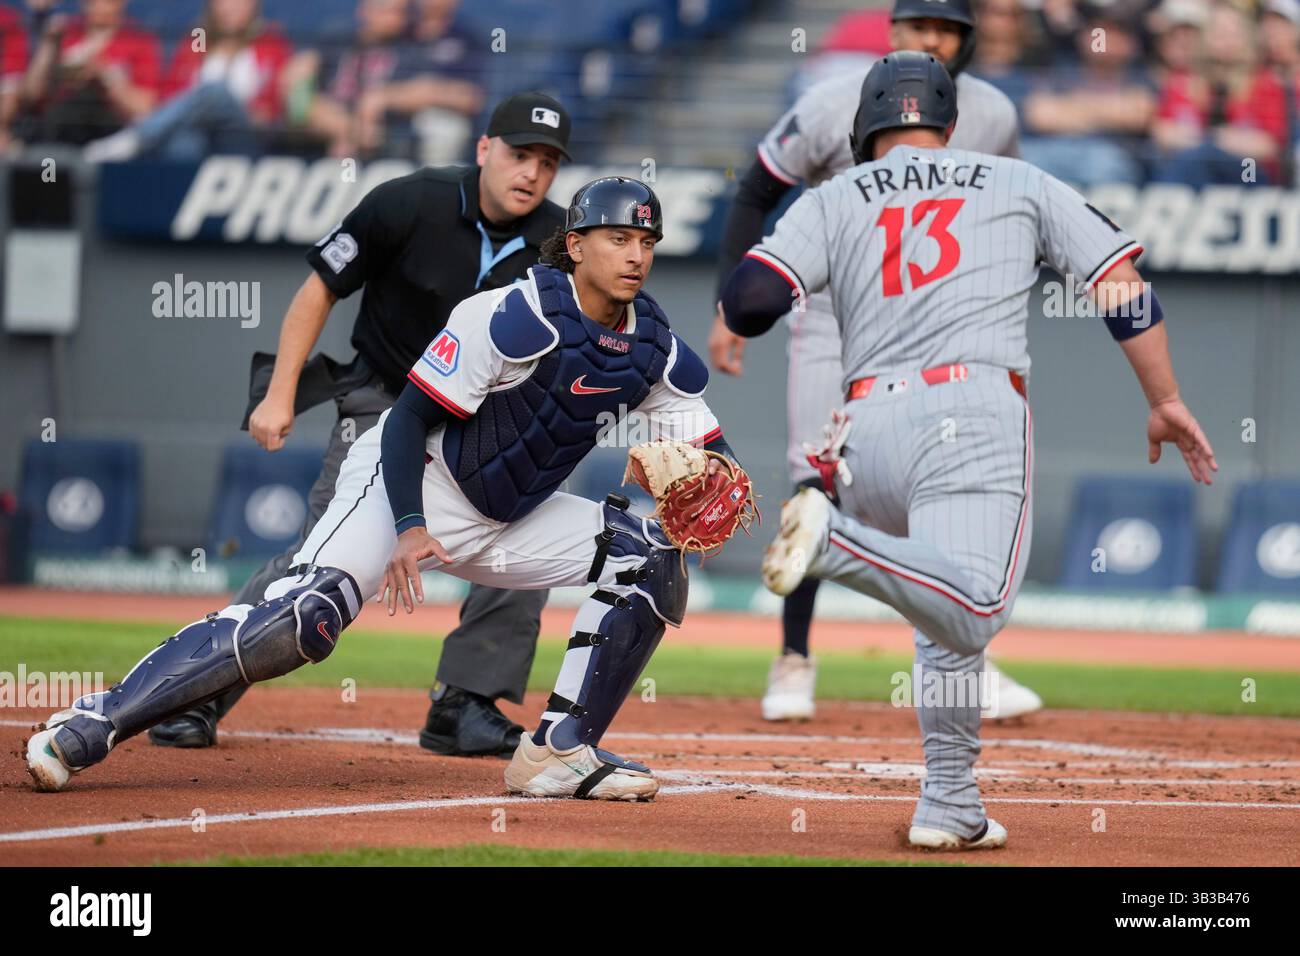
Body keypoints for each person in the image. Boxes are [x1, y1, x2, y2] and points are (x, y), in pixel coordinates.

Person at [26, 178, 747, 802]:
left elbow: (710, 445)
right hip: (414, 482)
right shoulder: (513, 314)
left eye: (647, 242)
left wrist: (725, 484)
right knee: (303, 621)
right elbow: (407, 421)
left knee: (651, 558)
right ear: (578, 243)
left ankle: (558, 754)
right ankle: (100, 717)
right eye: (619, 237)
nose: (636, 255)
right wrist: (406, 526)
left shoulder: (652, 349)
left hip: (511, 516)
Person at [721, 52, 1217, 849]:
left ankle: (949, 798)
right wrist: (1163, 399)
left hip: (863, 435)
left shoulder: (834, 195)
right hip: (972, 413)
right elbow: (1121, 284)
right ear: (948, 126)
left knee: (939, 617)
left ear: (863, 128)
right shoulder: (1013, 180)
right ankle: (837, 543)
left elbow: (749, 304)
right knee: (977, 610)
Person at [146, 92, 572, 760]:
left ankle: (464, 705)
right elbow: (320, 287)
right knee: (318, 556)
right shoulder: (408, 201)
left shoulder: (558, 244)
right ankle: (196, 689)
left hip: (483, 423)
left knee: (521, 549)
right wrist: (280, 393)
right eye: (520, 155)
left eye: (547, 164)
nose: (532, 174)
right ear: (484, 150)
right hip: (385, 401)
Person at [708, 0, 1039, 724]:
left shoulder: (994, 114)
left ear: (967, 39)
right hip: (833, 312)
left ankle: (962, 660)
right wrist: (728, 305)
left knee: (944, 478)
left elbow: (1007, 219)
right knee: (815, 475)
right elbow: (757, 188)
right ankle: (794, 657)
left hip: (941, 317)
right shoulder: (833, 101)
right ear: (892, 32)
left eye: (947, 29)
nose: (933, 39)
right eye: (921, 26)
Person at [82, 0, 293, 162]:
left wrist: (264, 114)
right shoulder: (199, 40)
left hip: (241, 135)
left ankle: (136, 138)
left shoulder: (270, 42)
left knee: (215, 90)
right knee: (182, 145)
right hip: (198, 130)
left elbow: (275, 106)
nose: (231, 7)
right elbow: (174, 94)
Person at [18, 0, 160, 145]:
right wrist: (48, 47)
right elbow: (30, 95)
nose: (97, 6)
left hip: (111, 128)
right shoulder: (65, 32)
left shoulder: (139, 38)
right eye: (89, 2)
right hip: (61, 127)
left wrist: (104, 76)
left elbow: (145, 109)